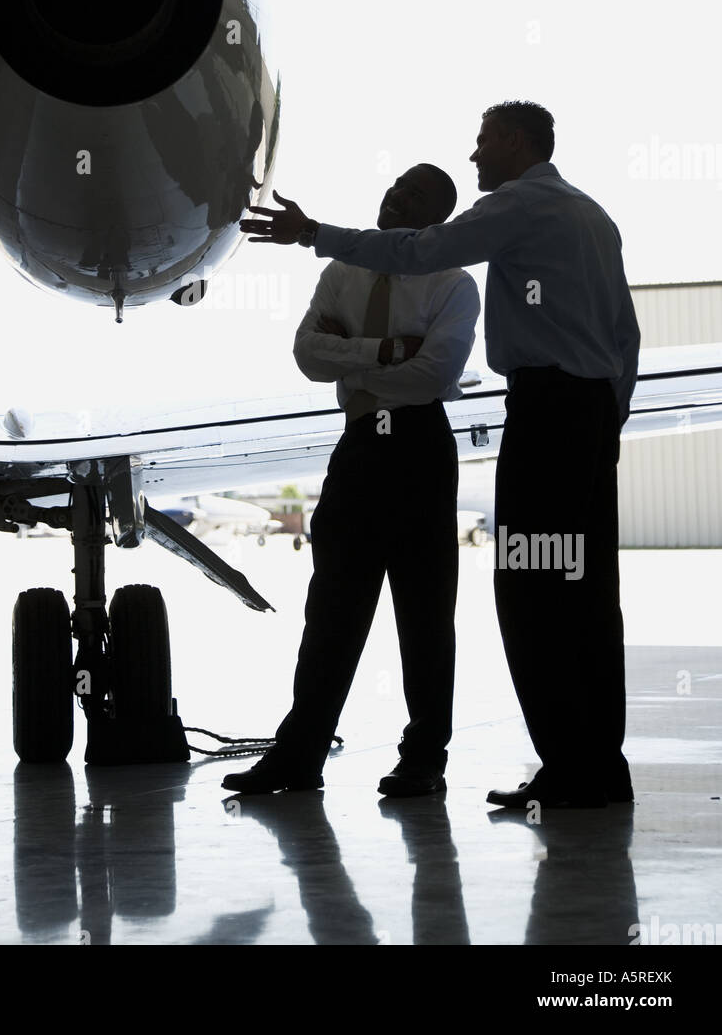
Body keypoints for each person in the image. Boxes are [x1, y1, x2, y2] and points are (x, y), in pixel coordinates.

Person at [240, 102, 641, 810]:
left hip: (546, 421)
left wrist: (312, 234)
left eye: (484, 142)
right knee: (585, 597)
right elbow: (625, 334)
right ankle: (596, 767)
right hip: (584, 421)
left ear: (517, 143)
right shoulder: (593, 217)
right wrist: (607, 422)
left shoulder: (520, 207)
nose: (475, 154)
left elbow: (421, 252)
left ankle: (567, 769)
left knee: (529, 592)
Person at [223, 163, 480, 797]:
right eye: (396, 186)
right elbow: (308, 357)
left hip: (419, 446)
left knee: (424, 614)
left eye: (415, 195)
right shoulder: (342, 271)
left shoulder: (454, 283)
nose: (396, 197)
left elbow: (433, 375)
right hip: (361, 446)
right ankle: (299, 755)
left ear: (439, 218)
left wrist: (358, 364)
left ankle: (424, 760)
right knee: (331, 610)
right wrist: (384, 352)